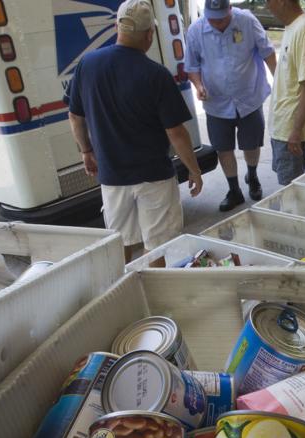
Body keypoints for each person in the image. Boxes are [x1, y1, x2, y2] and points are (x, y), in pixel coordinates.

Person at [67, 0, 204, 261]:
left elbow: (75, 116)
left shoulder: (87, 64)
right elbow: (176, 133)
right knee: (157, 247)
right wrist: (194, 170)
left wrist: (86, 151)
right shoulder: (156, 74)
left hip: (112, 176)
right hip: (153, 177)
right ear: (149, 34)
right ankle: (153, 298)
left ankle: (126, 294)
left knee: (120, 246)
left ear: (118, 27)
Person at [185, 0, 277, 212]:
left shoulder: (246, 20)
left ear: (230, 11)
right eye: (212, 19)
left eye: (222, 19)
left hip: (249, 98)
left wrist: (279, 84)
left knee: (251, 145)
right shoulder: (196, 30)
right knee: (223, 148)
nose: (217, 24)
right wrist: (198, 85)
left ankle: (252, 176)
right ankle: (234, 190)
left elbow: (268, 52)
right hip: (216, 102)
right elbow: (191, 66)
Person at [266, 0, 305, 184]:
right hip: (283, 127)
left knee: (291, 190)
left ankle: (296, 214)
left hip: (290, 130)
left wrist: (296, 130)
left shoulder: (304, 30)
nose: (268, 6)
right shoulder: (293, 27)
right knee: (291, 186)